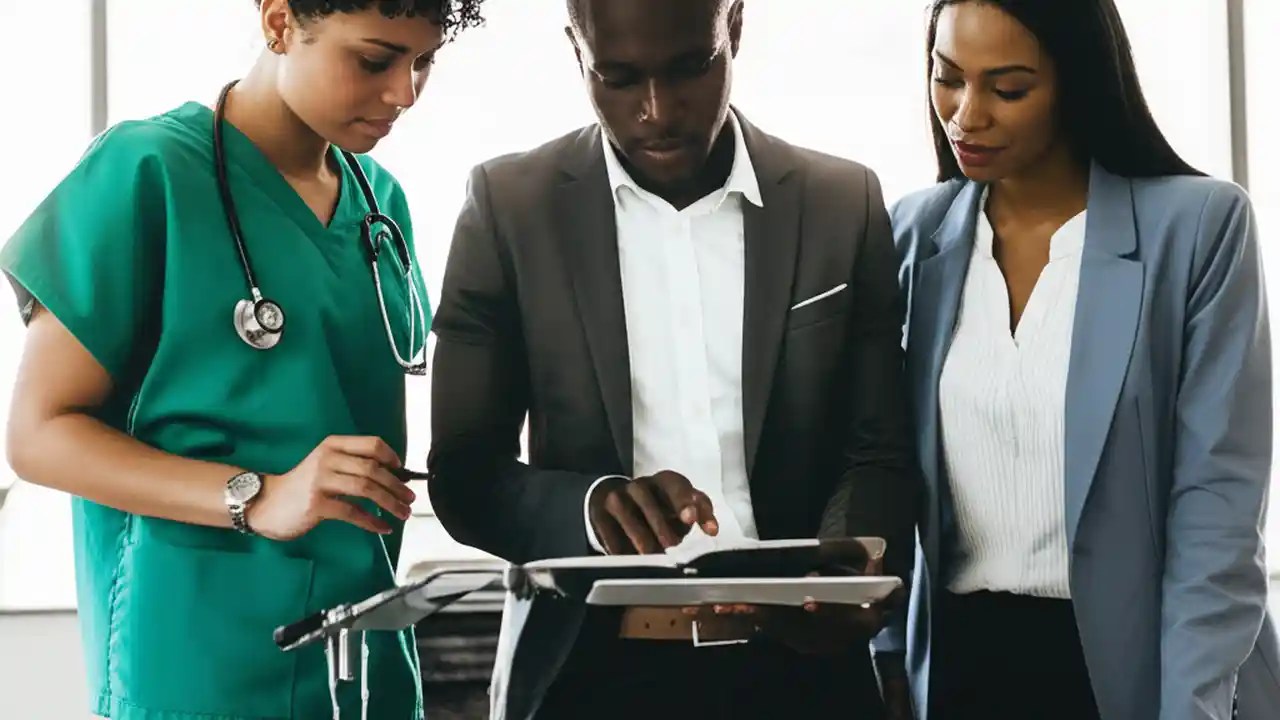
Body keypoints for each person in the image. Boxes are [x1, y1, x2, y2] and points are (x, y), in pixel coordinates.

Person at [426, 0, 920, 718]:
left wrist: (844, 573)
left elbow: (876, 449)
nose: (657, 111)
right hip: (588, 676)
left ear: (736, 29)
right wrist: (593, 510)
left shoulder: (842, 201)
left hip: (807, 676)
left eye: (690, 67)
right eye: (618, 77)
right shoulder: (509, 208)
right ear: (576, 52)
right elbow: (466, 476)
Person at [0, 1, 485, 718]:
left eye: (424, 62)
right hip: (196, 662)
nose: (405, 93)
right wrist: (257, 495)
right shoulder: (147, 172)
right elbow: (38, 436)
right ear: (281, 22)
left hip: (364, 663)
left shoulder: (379, 203)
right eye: (376, 60)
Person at [886, 1, 1280, 718]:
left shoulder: (1197, 229)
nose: (965, 115)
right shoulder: (913, 234)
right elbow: (882, 469)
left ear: (1079, 83)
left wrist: (1191, 706)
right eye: (948, 77)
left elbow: (1217, 512)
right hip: (960, 670)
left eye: (1007, 89)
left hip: (1141, 670)